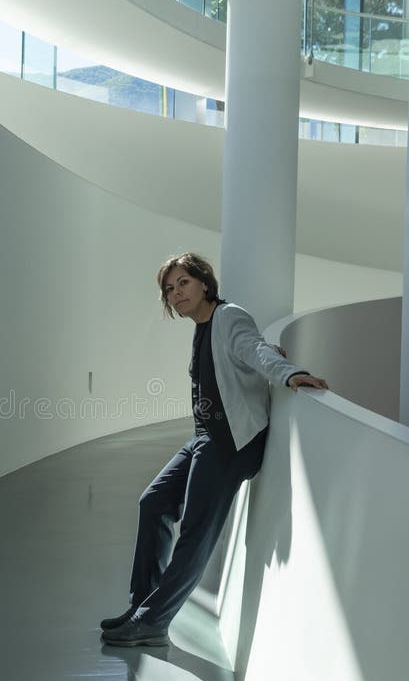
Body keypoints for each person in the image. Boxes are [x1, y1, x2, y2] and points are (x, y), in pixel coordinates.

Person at [100, 252, 328, 648]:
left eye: (183, 283)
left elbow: (254, 350)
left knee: (196, 532)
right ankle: (143, 607)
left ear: (204, 282)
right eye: (169, 289)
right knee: (152, 502)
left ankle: (151, 623)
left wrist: (288, 373)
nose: (176, 294)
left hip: (231, 443)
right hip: (205, 436)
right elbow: (245, 356)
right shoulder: (202, 327)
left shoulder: (227, 316)